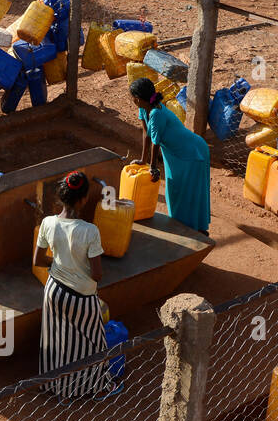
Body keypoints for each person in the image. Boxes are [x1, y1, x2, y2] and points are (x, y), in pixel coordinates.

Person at [34, 171, 113, 400]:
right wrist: (79, 270)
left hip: (53, 292)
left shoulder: (48, 223)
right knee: (93, 343)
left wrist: (59, 263)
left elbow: (38, 260)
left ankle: (59, 390)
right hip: (81, 298)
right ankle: (98, 388)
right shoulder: (89, 231)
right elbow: (97, 275)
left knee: (57, 342)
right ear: (84, 199)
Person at [127, 77, 211, 235]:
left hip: (191, 152)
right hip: (175, 153)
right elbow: (146, 134)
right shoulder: (143, 108)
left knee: (190, 191)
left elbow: (155, 142)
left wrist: (153, 167)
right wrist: (143, 161)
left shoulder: (157, 113)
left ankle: (197, 230)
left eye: (132, 97)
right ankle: (183, 228)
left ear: (137, 98)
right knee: (175, 191)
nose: (132, 100)